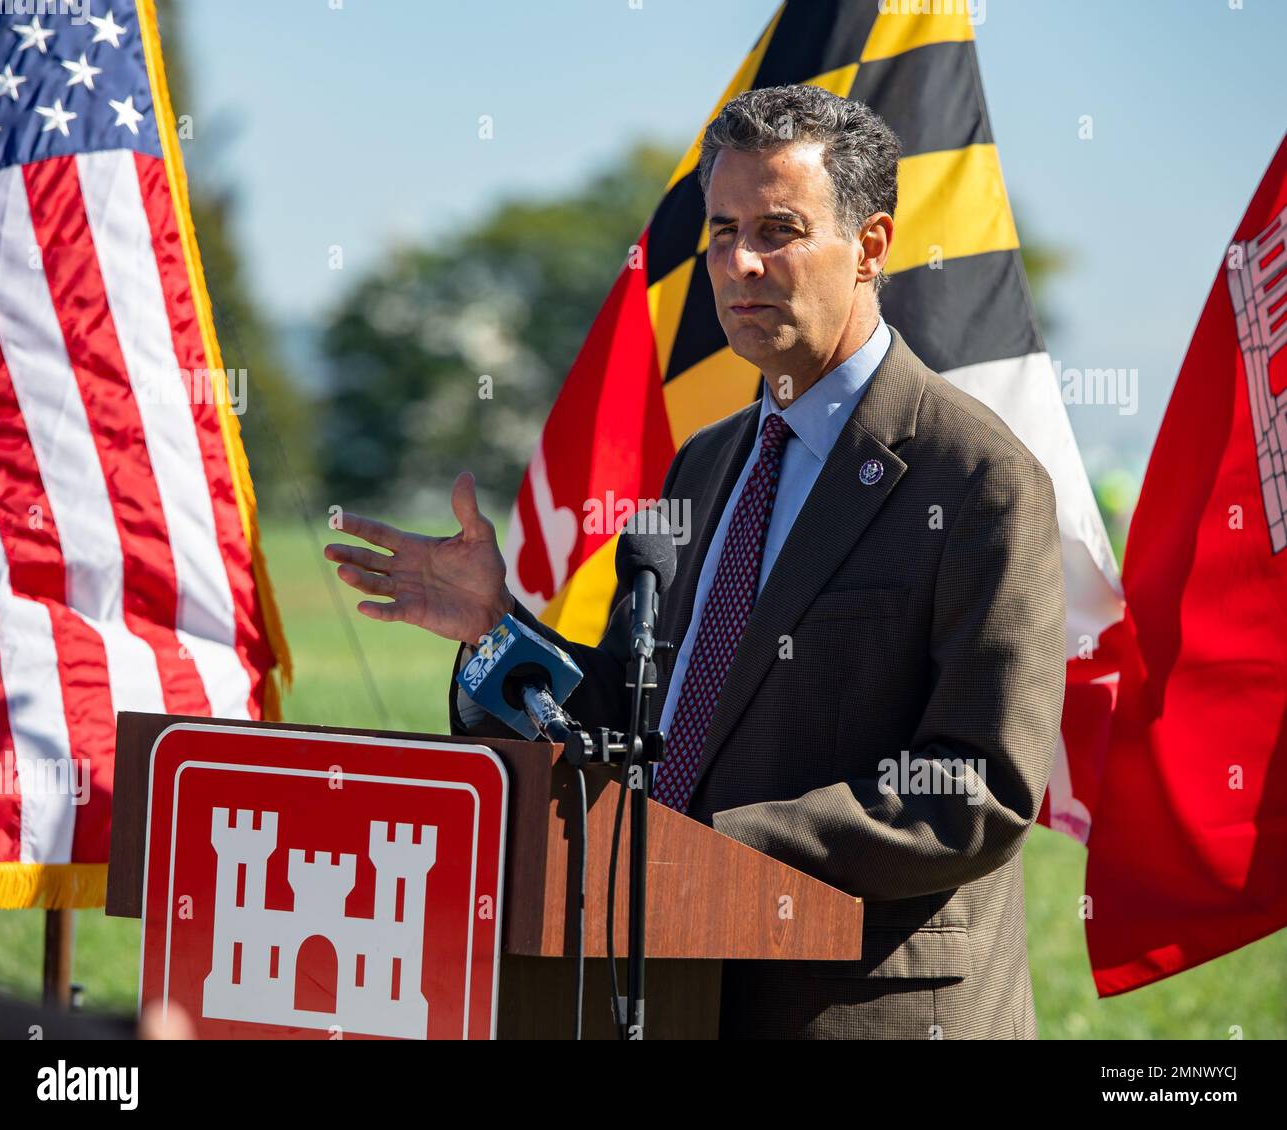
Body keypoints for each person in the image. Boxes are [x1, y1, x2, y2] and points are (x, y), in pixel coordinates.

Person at [325, 85, 1065, 1039]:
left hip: (854, 1011)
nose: (742, 263)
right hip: (662, 993)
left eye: (779, 228)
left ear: (872, 248)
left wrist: (700, 854)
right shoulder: (707, 461)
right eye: (722, 231)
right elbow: (643, 722)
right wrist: (494, 630)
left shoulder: (979, 479)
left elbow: (976, 788)